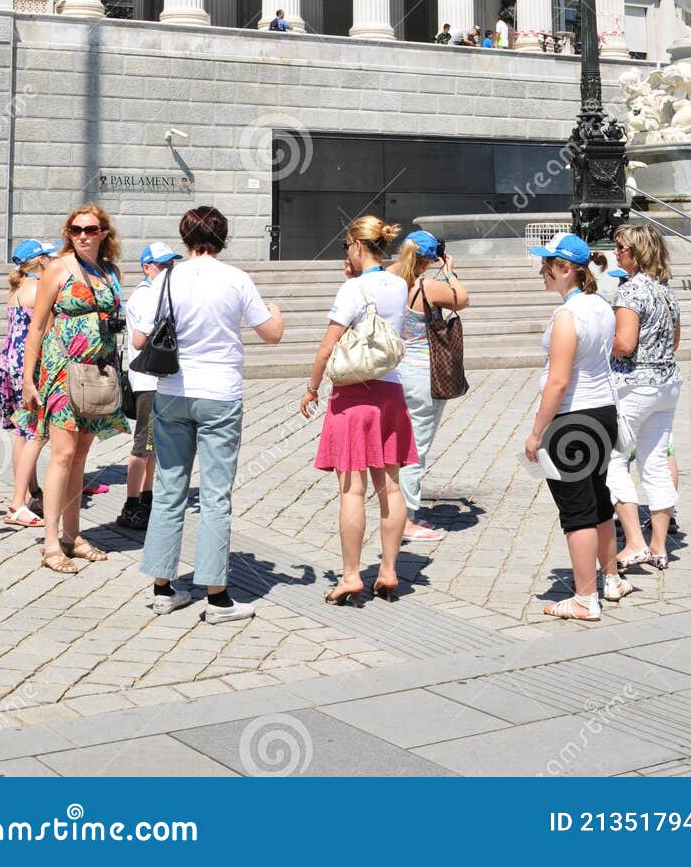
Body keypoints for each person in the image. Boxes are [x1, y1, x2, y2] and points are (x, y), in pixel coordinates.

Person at [138, 207, 284, 621]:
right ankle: (218, 597)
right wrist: (276, 312)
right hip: (220, 393)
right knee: (216, 495)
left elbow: (137, 337)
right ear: (224, 238)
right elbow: (271, 335)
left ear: (184, 238)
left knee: (169, 489)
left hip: (171, 390)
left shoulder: (166, 278)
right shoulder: (236, 279)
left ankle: (163, 589)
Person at [301, 216, 416, 604]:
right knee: (392, 485)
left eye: (346, 245)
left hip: (354, 396)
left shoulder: (352, 288)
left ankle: (351, 576)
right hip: (391, 391)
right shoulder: (400, 285)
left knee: (352, 488)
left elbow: (326, 346)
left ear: (356, 244)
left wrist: (312, 387)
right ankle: (388, 570)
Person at [17, 205, 130, 575]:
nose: (83, 235)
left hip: (97, 372)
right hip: (62, 371)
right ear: (70, 233)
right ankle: (51, 543)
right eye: (77, 229)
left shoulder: (109, 272)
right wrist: (28, 380)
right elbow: (36, 327)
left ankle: (72, 535)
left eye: (91, 229)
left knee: (81, 454)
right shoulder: (58, 268)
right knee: (63, 454)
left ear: (103, 233)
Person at [524, 234, 631, 621]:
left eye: (547, 264)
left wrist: (537, 432)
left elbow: (558, 382)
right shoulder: (600, 306)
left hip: (572, 420)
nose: (541, 270)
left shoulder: (567, 316)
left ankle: (585, 598)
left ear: (566, 270)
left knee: (577, 511)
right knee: (599, 500)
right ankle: (612, 578)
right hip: (603, 412)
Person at [606, 224, 682, 572]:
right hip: (667, 385)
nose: (616, 253)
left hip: (633, 386)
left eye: (620, 248)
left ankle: (634, 542)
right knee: (655, 463)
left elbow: (624, 344)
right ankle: (659, 547)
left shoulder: (631, 291)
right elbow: (675, 342)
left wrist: (595, 341)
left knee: (614, 460)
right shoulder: (667, 292)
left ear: (636, 253)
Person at [389, 231, 468, 541]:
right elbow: (463, 299)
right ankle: (406, 519)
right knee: (415, 448)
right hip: (424, 376)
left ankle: (393, 510)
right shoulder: (428, 287)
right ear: (429, 259)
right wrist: (449, 272)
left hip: (393, 375)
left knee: (397, 446)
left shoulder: (386, 279)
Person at [0, 237, 58, 527]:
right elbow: (49, 332)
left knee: (22, 431)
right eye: (49, 257)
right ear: (41, 260)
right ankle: (18, 503)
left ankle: (27, 493)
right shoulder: (40, 288)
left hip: (10, 365)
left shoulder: (17, 288)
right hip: (31, 365)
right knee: (33, 432)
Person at [117, 239, 180, 534]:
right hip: (147, 379)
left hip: (158, 378)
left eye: (171, 264)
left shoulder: (160, 292)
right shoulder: (146, 295)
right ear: (146, 268)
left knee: (154, 445)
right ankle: (131, 505)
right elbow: (140, 340)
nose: (169, 269)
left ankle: (146, 497)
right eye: (163, 265)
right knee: (143, 444)